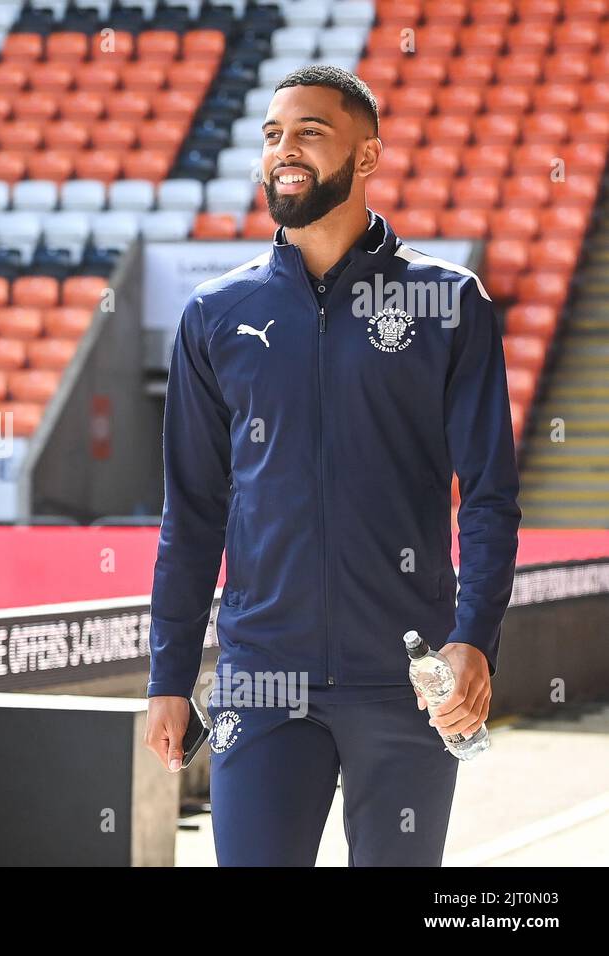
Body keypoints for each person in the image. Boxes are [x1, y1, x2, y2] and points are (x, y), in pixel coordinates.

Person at [144, 65, 521, 865]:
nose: (285, 150)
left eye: (311, 132)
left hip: (409, 683)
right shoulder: (216, 313)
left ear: (368, 155)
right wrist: (169, 676)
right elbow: (193, 510)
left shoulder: (448, 303)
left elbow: (489, 496)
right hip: (262, 679)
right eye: (274, 134)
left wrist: (475, 640)